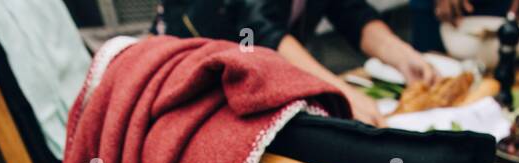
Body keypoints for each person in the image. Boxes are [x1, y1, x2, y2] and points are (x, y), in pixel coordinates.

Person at [164, 0, 438, 126]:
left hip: (258, 74)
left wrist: (402, 55)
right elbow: (259, 30)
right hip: (197, 81)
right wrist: (337, 91)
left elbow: (350, 11)